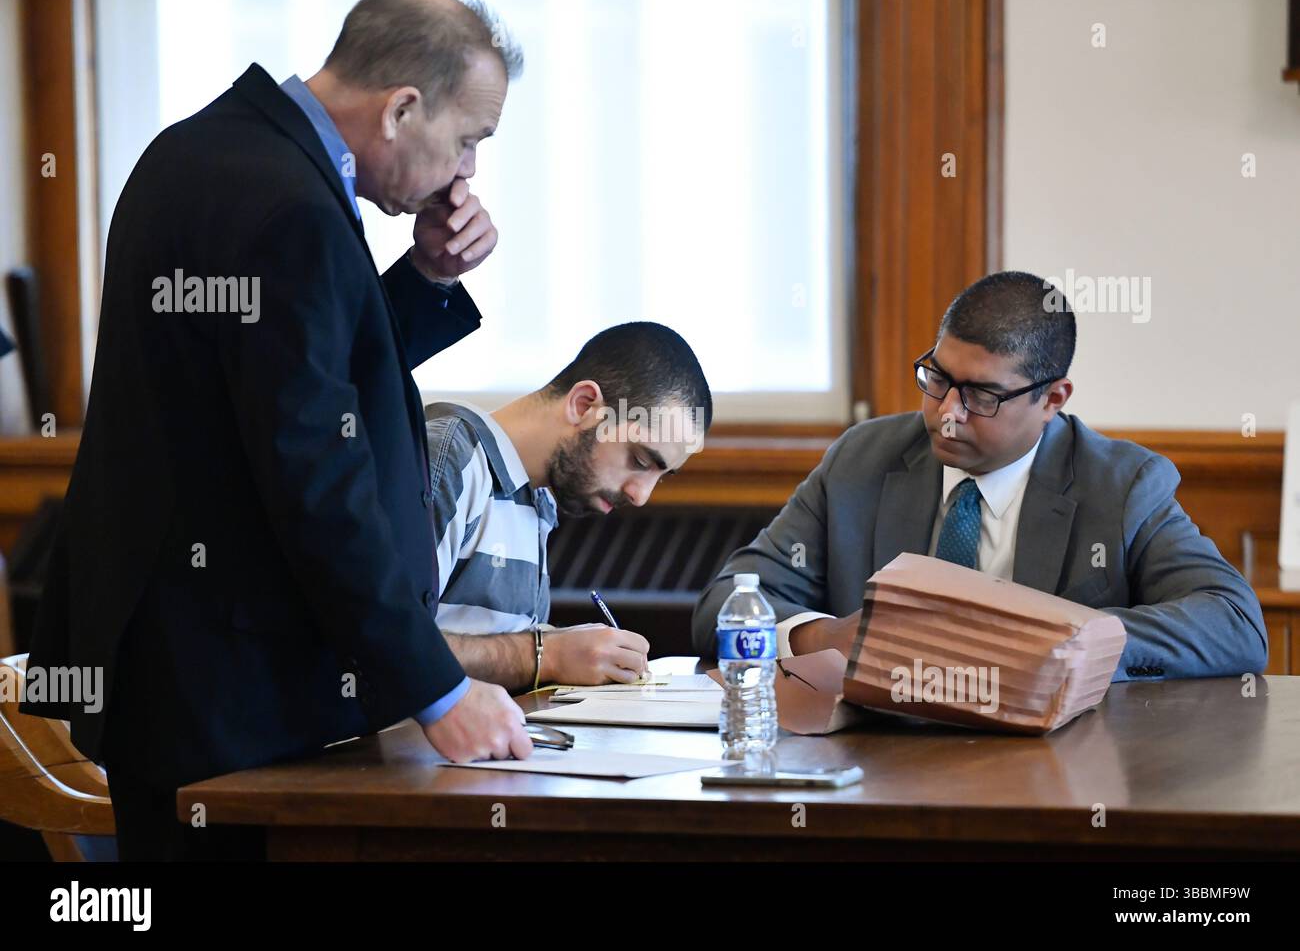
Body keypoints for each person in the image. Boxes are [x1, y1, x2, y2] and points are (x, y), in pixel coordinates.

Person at [22, 0, 532, 860]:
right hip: (234, 700)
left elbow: (294, 383)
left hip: (186, 675)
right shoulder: (289, 207)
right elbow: (314, 481)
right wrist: (439, 690)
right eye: (470, 138)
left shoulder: (207, 148)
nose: (466, 173)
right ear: (402, 108)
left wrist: (427, 279)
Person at [692, 271, 1267, 681]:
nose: (948, 414)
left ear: (1052, 399)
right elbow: (727, 601)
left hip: (1055, 777)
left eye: (982, 396)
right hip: (876, 770)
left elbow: (1234, 624)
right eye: (937, 379)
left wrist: (1058, 638)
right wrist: (820, 638)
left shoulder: (1120, 485)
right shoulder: (862, 461)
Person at [424, 322, 712, 692]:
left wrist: (569, 653)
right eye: (640, 461)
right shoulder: (449, 459)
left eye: (663, 476)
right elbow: (385, 643)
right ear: (584, 405)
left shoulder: (538, 499)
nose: (642, 495)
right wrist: (548, 655)